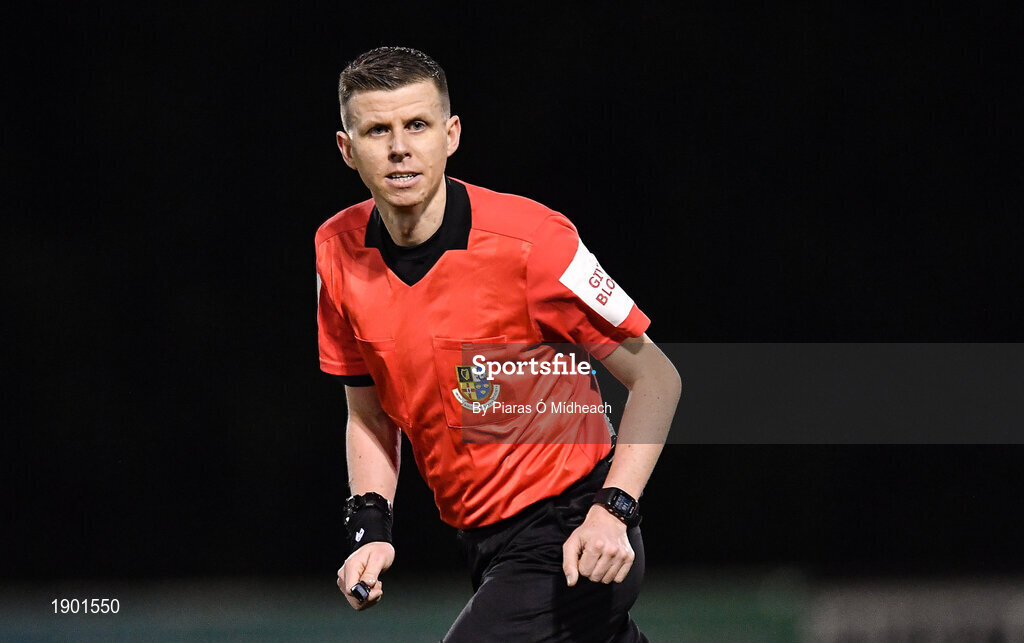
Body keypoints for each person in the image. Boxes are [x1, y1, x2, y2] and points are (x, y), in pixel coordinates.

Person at [316, 46, 680, 642]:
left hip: (575, 534)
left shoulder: (533, 240)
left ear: (451, 135)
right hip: (484, 547)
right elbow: (368, 412)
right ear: (347, 148)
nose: (400, 146)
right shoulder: (335, 252)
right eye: (377, 130)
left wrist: (614, 510)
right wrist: (371, 526)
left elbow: (658, 379)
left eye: (417, 125)